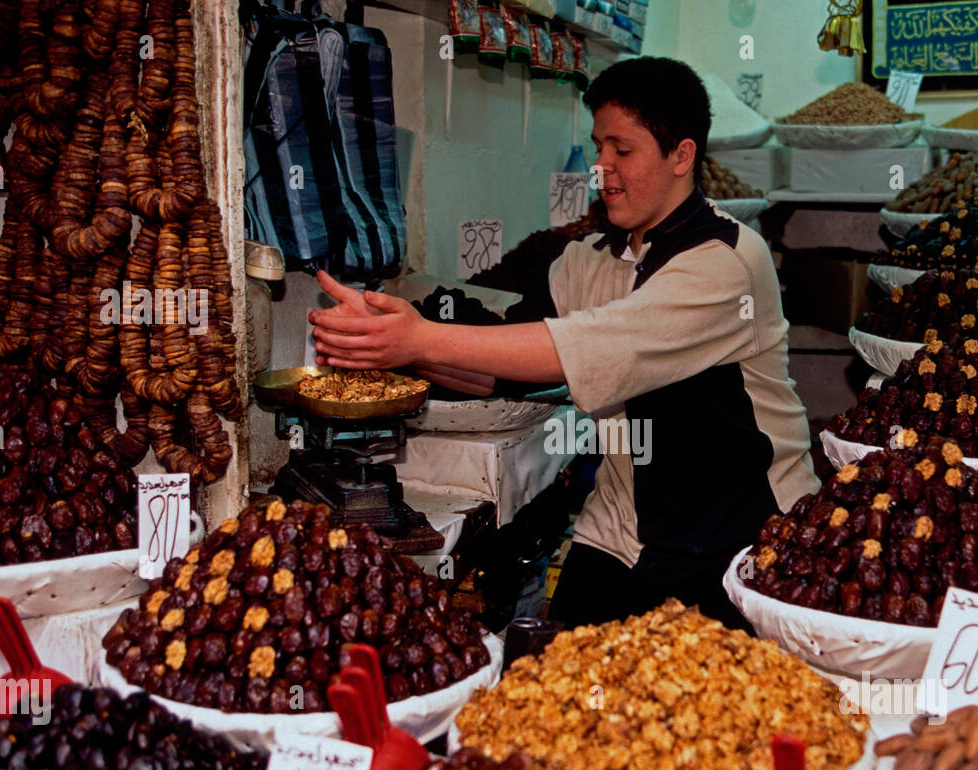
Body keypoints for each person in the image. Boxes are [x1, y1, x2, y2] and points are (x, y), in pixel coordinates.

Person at [309, 57, 817, 628]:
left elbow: (590, 346)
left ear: (682, 155)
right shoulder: (590, 259)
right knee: (562, 677)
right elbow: (510, 362)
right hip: (621, 527)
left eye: (622, 151)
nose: (602, 169)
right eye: (598, 148)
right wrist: (397, 339)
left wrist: (419, 338)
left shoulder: (727, 263)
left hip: (737, 535)